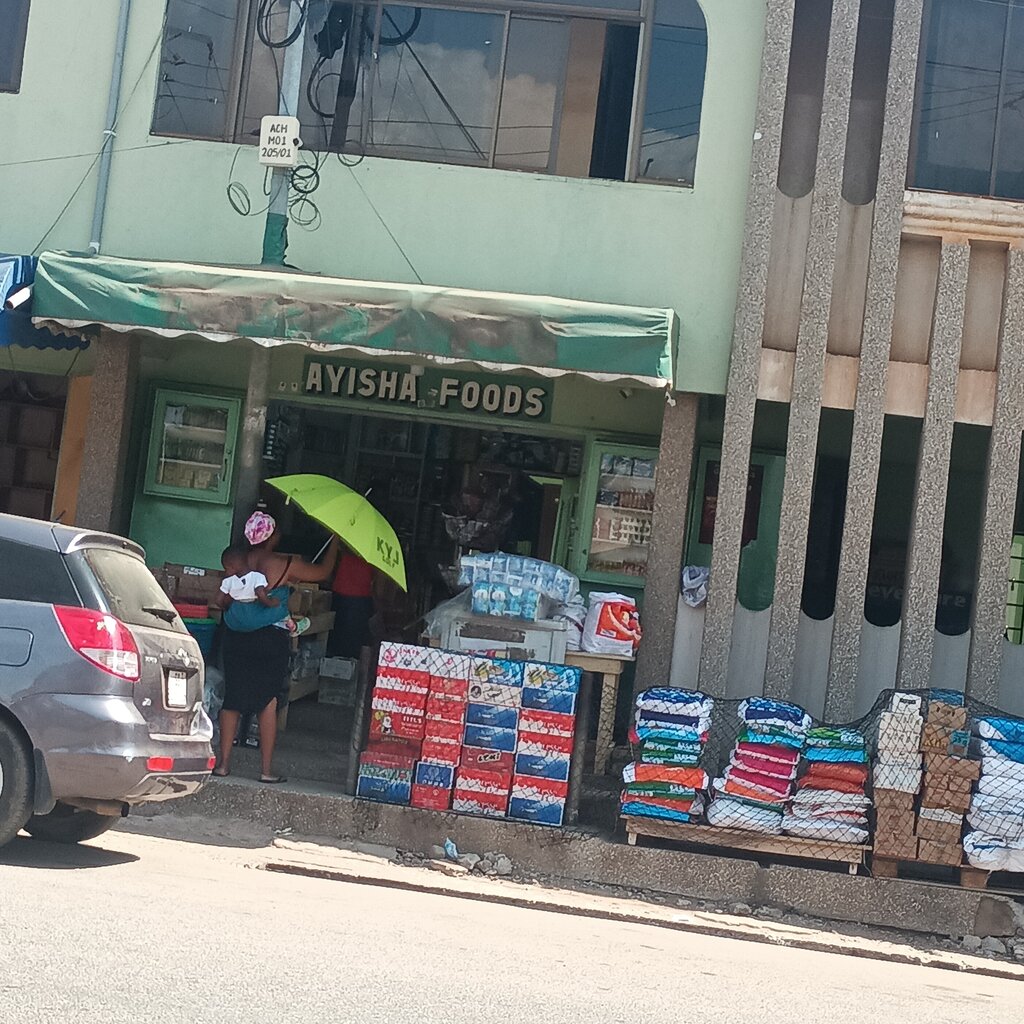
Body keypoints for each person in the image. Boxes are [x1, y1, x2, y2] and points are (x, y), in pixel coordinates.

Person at [215, 511, 339, 782]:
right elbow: (324, 572)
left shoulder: (237, 560)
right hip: (270, 639)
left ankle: (223, 765)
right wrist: (335, 542)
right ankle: (266, 771)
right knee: (267, 702)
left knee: (232, 699)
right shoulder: (285, 564)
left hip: (236, 635)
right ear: (272, 537)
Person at [217, 542, 309, 636]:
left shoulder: (227, 580)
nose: (225, 571)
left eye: (226, 568)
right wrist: (271, 602)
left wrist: (227, 608)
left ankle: (276, 621)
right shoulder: (257, 576)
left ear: (232, 567)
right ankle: (291, 625)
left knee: (246, 604)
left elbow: (219, 601)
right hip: (252, 619)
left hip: (232, 620)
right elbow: (260, 594)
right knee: (281, 596)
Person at [327, 549, 374, 658]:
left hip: (340, 595)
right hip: (360, 599)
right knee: (355, 641)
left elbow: (329, 572)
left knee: (336, 639)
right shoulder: (374, 553)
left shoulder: (343, 548)